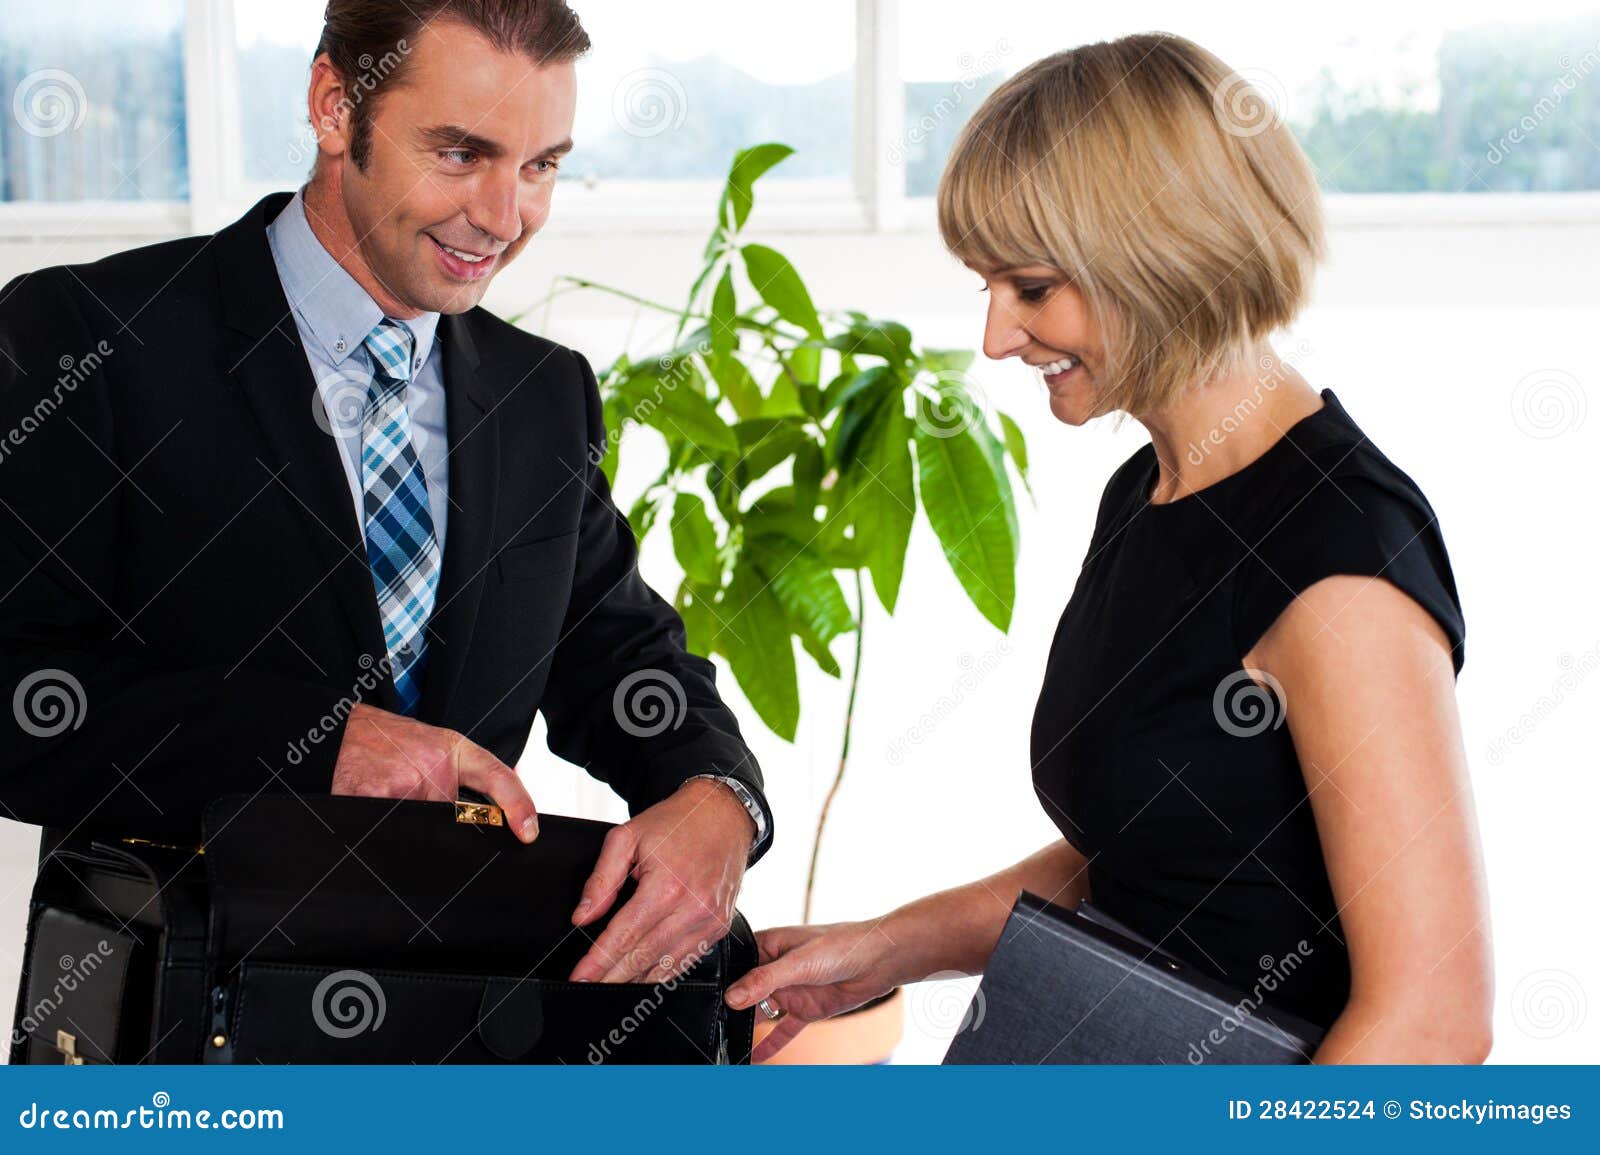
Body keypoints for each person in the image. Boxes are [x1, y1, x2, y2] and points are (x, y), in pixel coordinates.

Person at [726, 32, 1492, 1063]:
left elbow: (1430, 1026)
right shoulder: (1153, 488)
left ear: (1163, 260)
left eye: (1032, 288)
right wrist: (880, 951)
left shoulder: (1336, 558)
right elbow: (1148, 862)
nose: (996, 337)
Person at [0, 0, 769, 987]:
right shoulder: (92, 338)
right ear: (333, 108)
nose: (504, 218)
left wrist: (714, 791)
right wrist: (317, 746)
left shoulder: (542, 395)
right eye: (460, 153)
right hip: (176, 1038)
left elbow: (613, 651)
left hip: (463, 1031)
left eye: (539, 167)